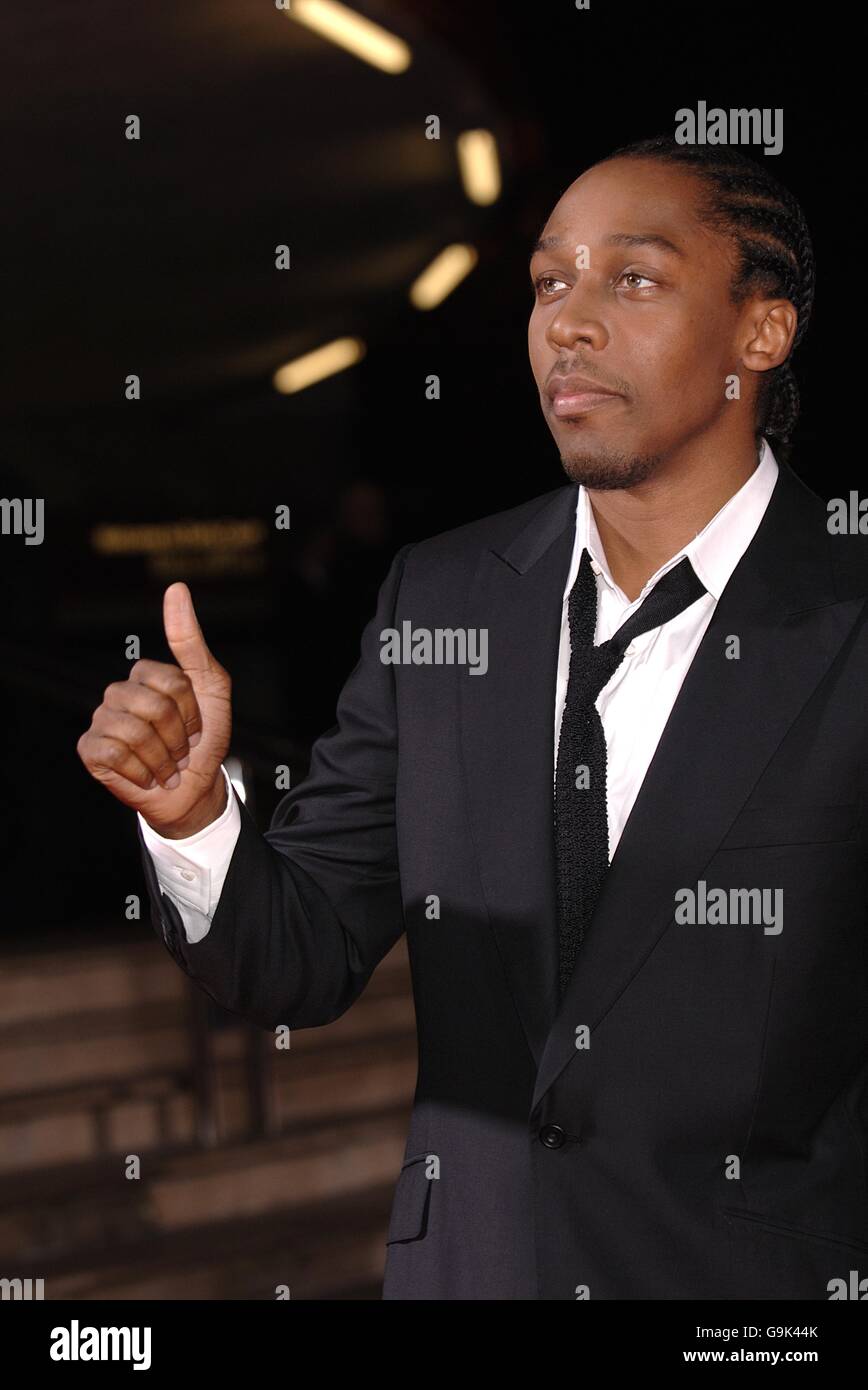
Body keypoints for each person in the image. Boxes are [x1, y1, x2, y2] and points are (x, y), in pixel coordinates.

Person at [77, 135, 868, 1300]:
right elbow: (298, 960)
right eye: (551, 280)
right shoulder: (442, 600)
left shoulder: (846, 615)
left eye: (632, 278)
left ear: (761, 332)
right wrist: (195, 819)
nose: (570, 321)